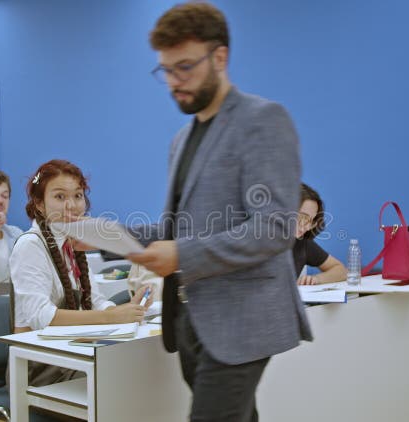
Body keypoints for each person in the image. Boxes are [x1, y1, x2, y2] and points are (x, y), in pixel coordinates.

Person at [127, 4, 311, 421]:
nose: (174, 83)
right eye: (166, 71)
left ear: (220, 57)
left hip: (243, 322)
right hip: (192, 318)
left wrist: (182, 256)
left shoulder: (262, 121)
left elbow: (275, 228)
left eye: (185, 68)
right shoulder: (181, 139)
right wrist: (108, 236)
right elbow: (176, 229)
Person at [10, 159, 153, 385]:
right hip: (41, 367)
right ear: (39, 204)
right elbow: (41, 317)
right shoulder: (30, 245)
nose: (72, 205)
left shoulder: (72, 242)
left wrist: (124, 312)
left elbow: (94, 300)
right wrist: (109, 317)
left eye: (77, 195)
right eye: (60, 197)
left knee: (144, 366)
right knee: (128, 380)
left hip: (74, 352)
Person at [294, 183, 347, 285]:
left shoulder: (302, 243)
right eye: (303, 217)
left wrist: (316, 279)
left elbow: (341, 270)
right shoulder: (261, 241)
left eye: (311, 221)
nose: (307, 227)